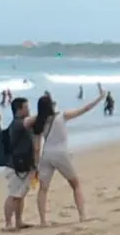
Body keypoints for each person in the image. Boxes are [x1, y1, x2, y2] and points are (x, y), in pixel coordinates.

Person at [29, 87, 103, 224]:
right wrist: (100, 98)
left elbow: (37, 147)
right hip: (61, 154)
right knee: (75, 184)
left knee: (43, 189)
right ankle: (82, 215)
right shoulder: (61, 116)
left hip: (46, 155)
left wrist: (36, 165)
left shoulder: (39, 123)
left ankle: (43, 221)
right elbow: (85, 109)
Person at [0, 97, 37, 230]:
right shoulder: (17, 123)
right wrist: (46, 110)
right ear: (19, 110)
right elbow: (33, 120)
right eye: (26, 107)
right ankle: (8, 223)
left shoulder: (23, 123)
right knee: (14, 196)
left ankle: (19, 221)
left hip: (23, 165)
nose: (29, 110)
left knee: (20, 196)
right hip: (14, 166)